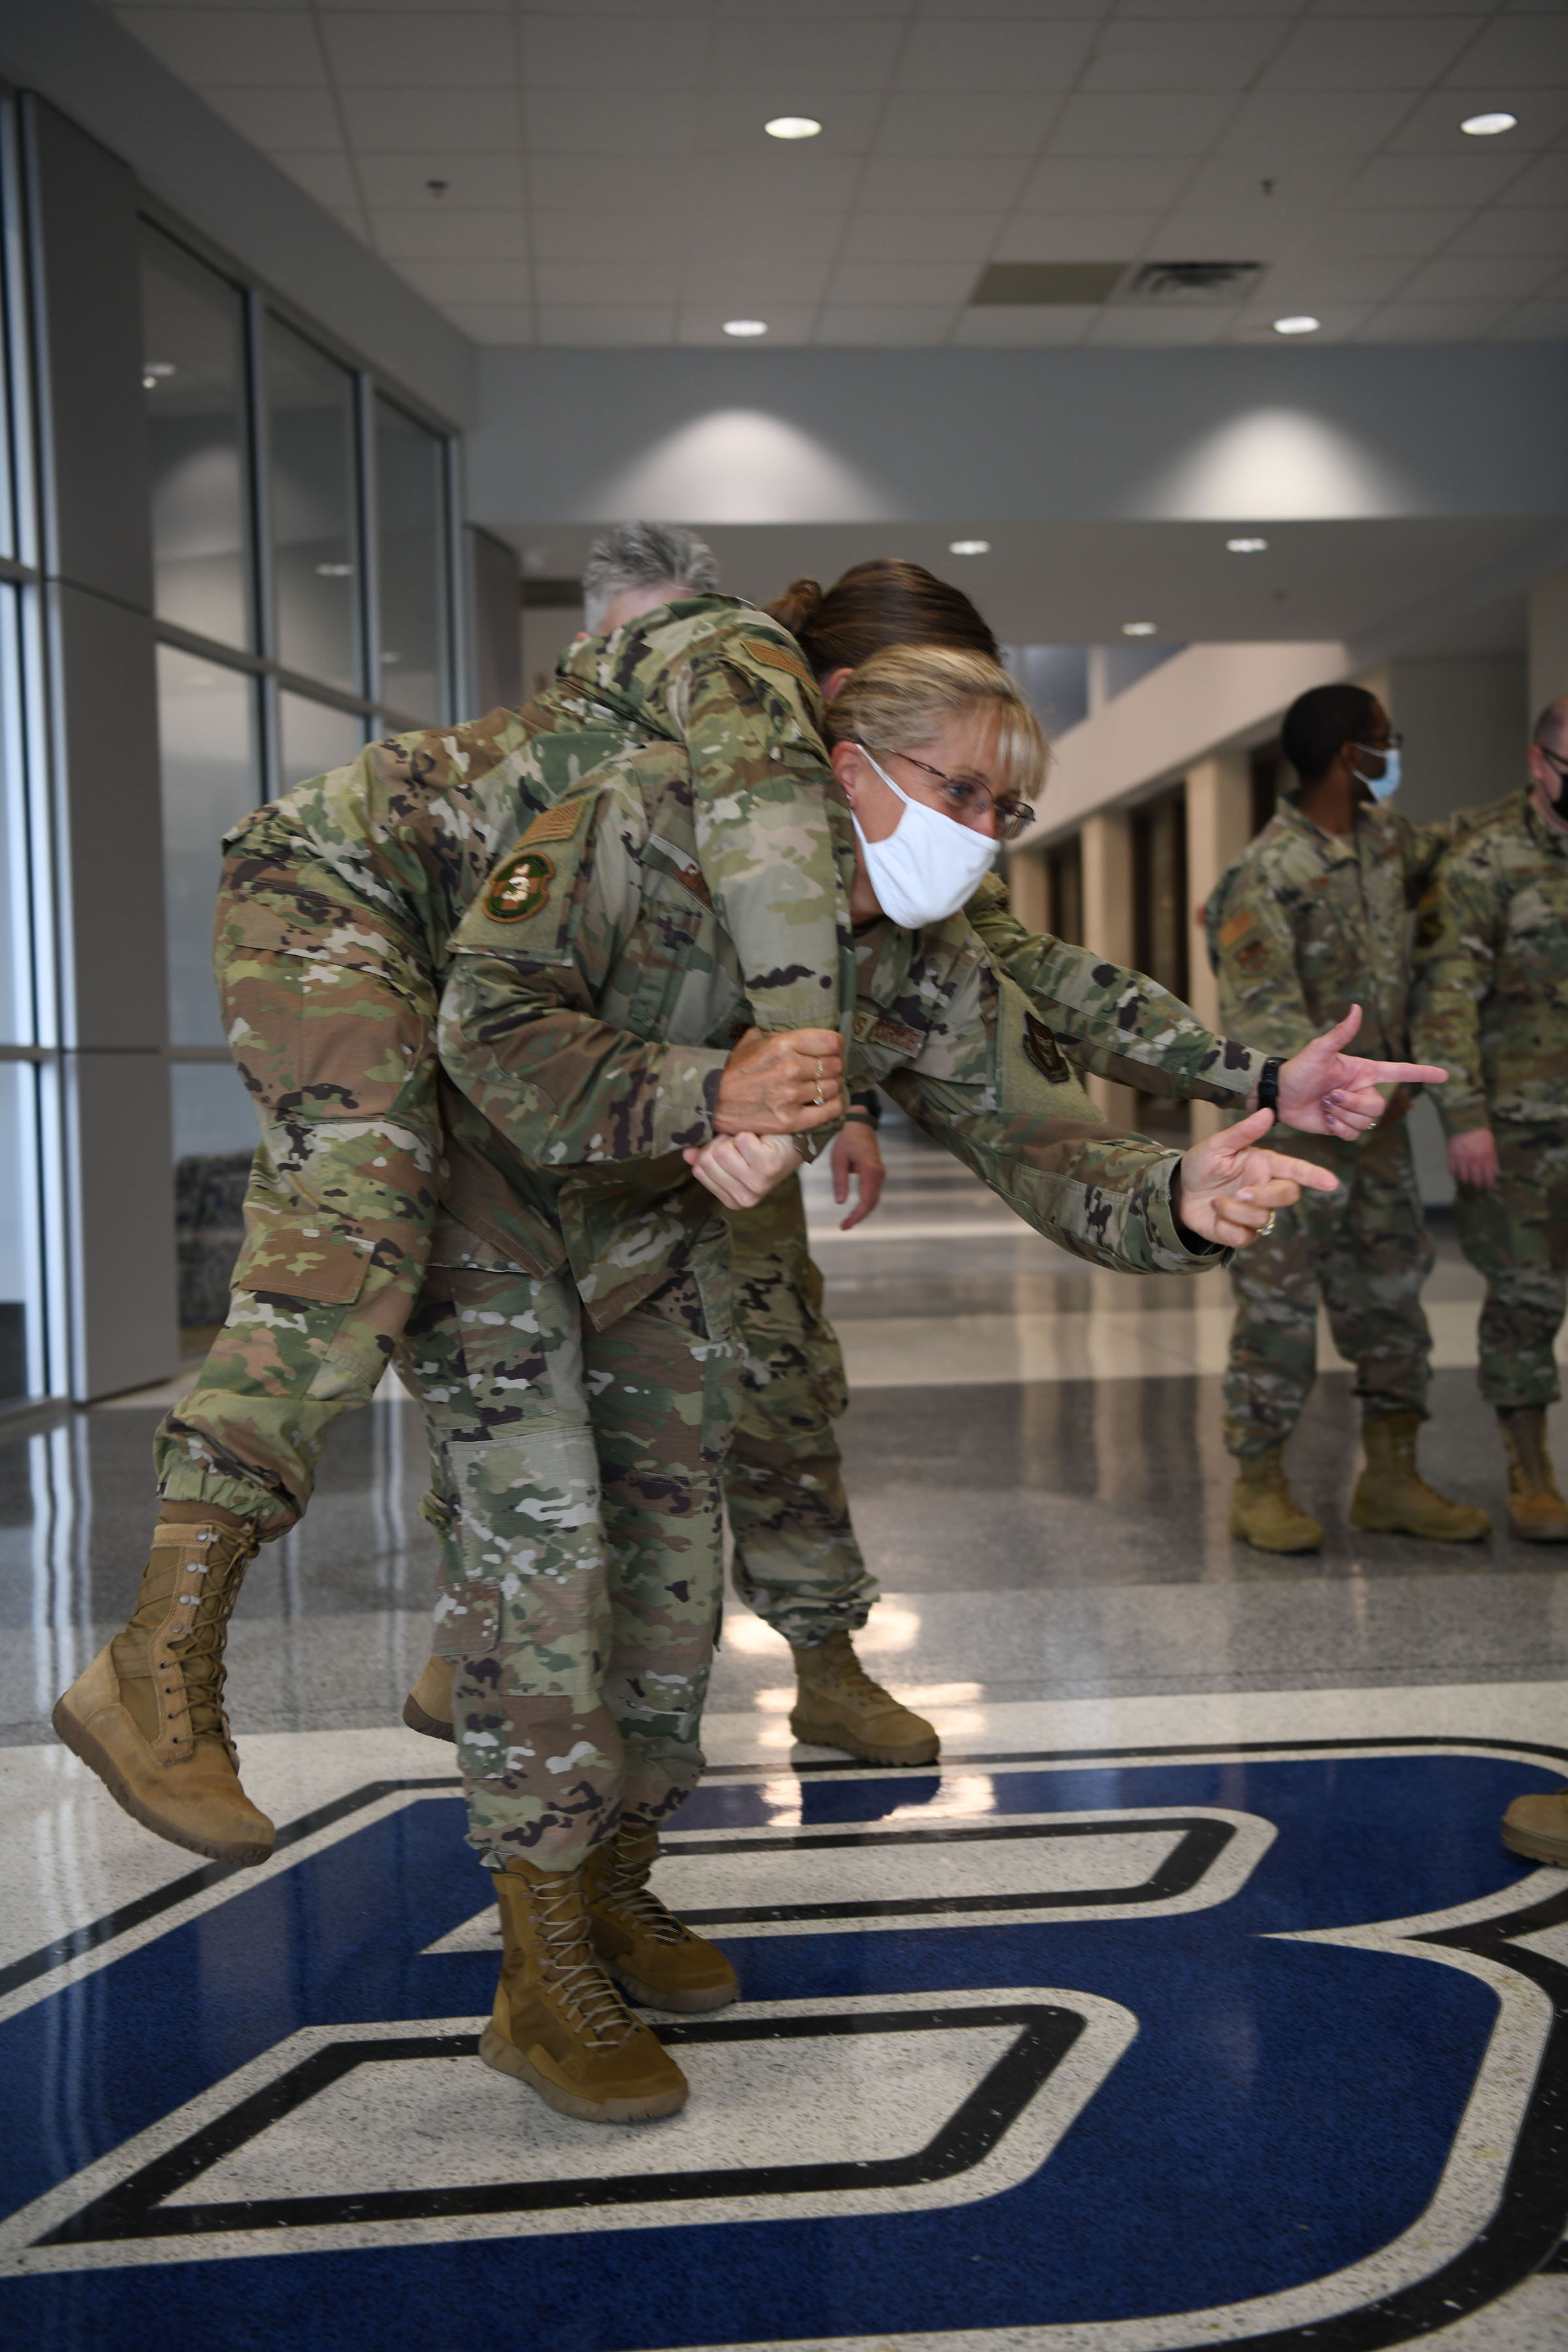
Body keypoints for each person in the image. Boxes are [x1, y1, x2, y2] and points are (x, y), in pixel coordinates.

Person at [417, 643, 1345, 2123]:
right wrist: (695, 1091)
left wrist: (1175, 1193)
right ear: (848, 768)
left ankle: (616, 1889)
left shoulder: (922, 951)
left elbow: (1038, 1137)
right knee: (555, 1572)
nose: (982, 827)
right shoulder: (649, 817)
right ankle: (537, 1970)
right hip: (502, 1224)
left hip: (669, 1248)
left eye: (1006, 807)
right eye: (959, 788)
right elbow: (484, 1019)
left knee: (665, 1592)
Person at [52, 523, 852, 1870]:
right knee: (361, 1218)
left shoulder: (685, 724)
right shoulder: (743, 658)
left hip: (465, 963)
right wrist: (799, 1045)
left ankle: (460, 1644)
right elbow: (773, 846)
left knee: (506, 1270)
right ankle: (152, 1658)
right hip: (335, 901)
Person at [1209, 681, 1491, 1554]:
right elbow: (1261, 1015)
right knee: (1278, 1312)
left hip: (1377, 1140)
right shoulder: (1269, 872)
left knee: (1392, 1300)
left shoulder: (1386, 844)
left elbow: (1459, 841)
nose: (1390, 753)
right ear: (1348, 756)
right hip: (1291, 1143)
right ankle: (1259, 1486)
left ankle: (1392, 1479)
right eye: (1382, 741)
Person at [1413, 696, 1568, 1555]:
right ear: (1540, 765)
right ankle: (1530, 1470)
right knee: (1525, 1304)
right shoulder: (1485, 863)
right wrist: (1464, 1120)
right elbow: (1448, 1002)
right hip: (1521, 1134)